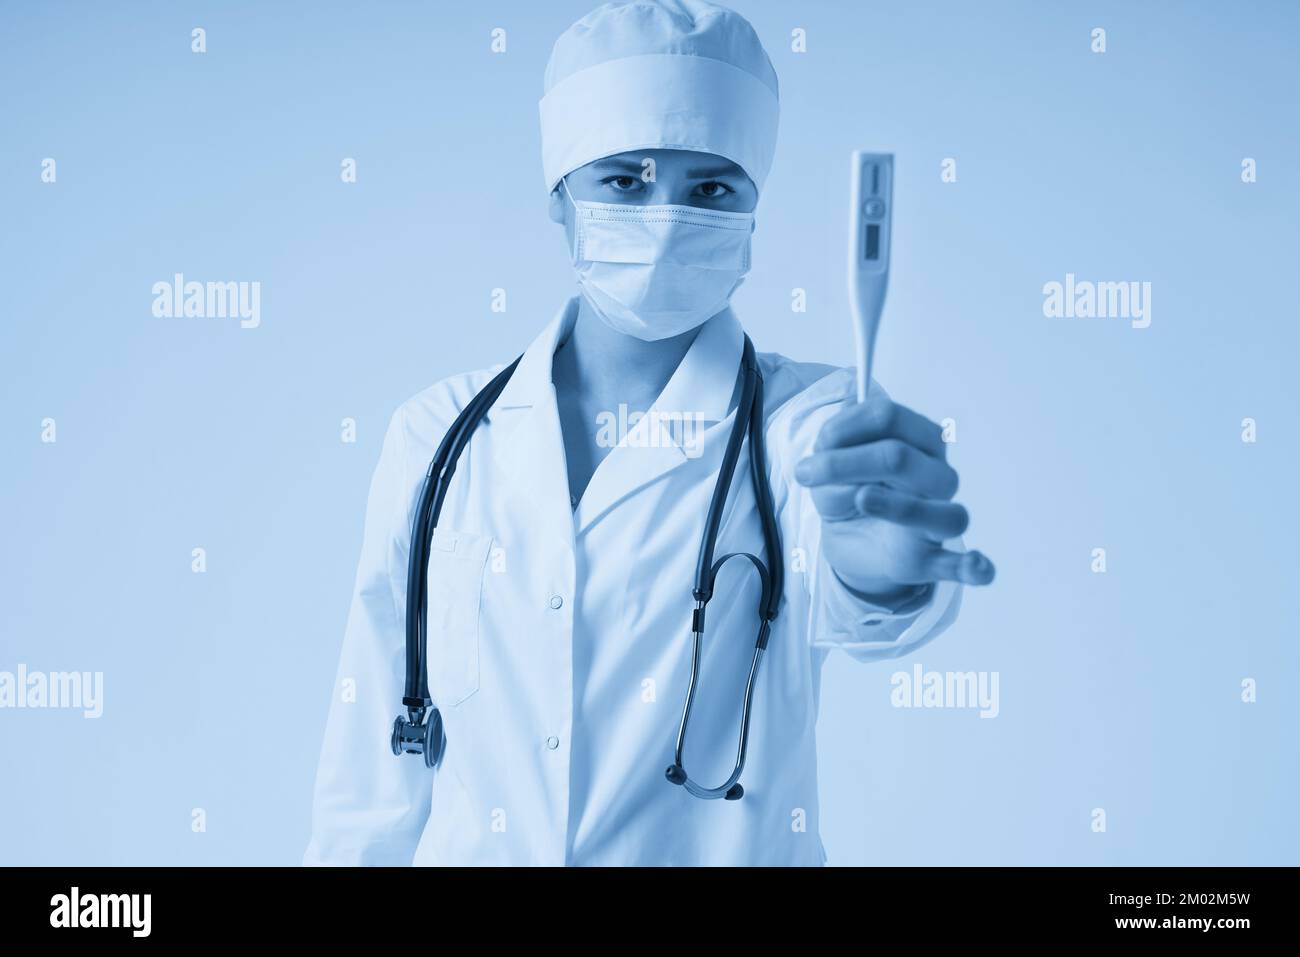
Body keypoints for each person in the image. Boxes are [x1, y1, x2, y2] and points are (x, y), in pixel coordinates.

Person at [305, 0, 994, 867]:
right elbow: (369, 777)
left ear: (753, 208)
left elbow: (862, 575)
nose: (666, 220)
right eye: (624, 181)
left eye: (710, 188)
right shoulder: (437, 437)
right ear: (559, 196)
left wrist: (881, 568)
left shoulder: (804, 426)